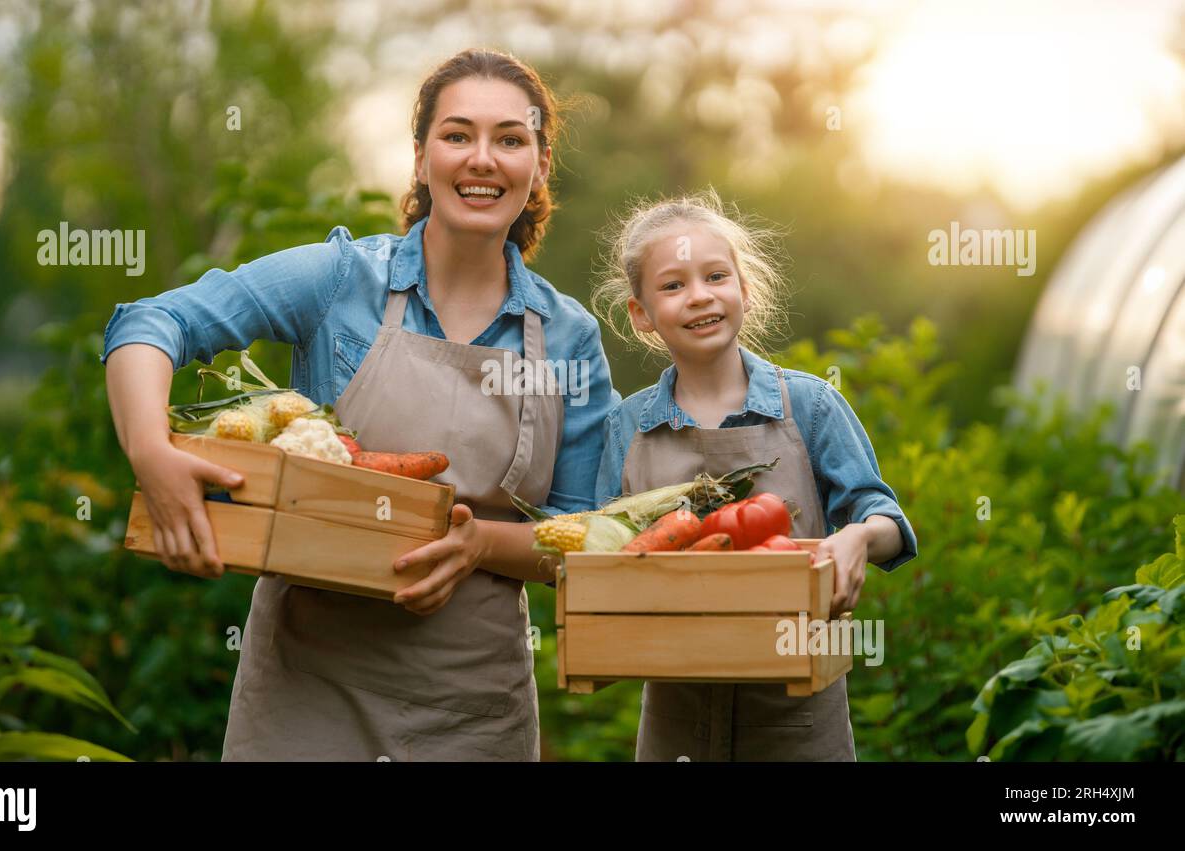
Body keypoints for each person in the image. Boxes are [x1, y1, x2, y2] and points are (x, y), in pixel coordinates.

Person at [102, 49, 616, 761]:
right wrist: (151, 450)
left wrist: (479, 547)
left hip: (474, 713)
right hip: (307, 693)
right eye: (457, 134)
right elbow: (149, 324)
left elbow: (584, 539)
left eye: (509, 139)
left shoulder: (569, 337)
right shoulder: (343, 280)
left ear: (540, 165)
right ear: (419, 157)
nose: (482, 160)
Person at [591, 189, 917, 761]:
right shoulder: (626, 426)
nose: (699, 297)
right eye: (672, 285)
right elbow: (598, 557)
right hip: (674, 718)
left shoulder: (810, 406)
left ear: (744, 288)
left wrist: (858, 535)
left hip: (799, 721)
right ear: (641, 315)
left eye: (715, 276)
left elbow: (884, 516)